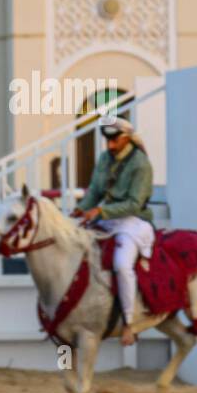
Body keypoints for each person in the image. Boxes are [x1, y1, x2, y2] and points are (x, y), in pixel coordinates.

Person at [71, 116, 155, 346]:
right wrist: (80, 209)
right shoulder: (104, 159)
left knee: (121, 264)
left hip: (133, 222)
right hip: (107, 220)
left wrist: (100, 211)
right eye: (107, 141)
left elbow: (134, 204)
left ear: (126, 138)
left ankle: (129, 323)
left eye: (114, 140)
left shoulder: (140, 164)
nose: (110, 146)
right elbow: (94, 191)